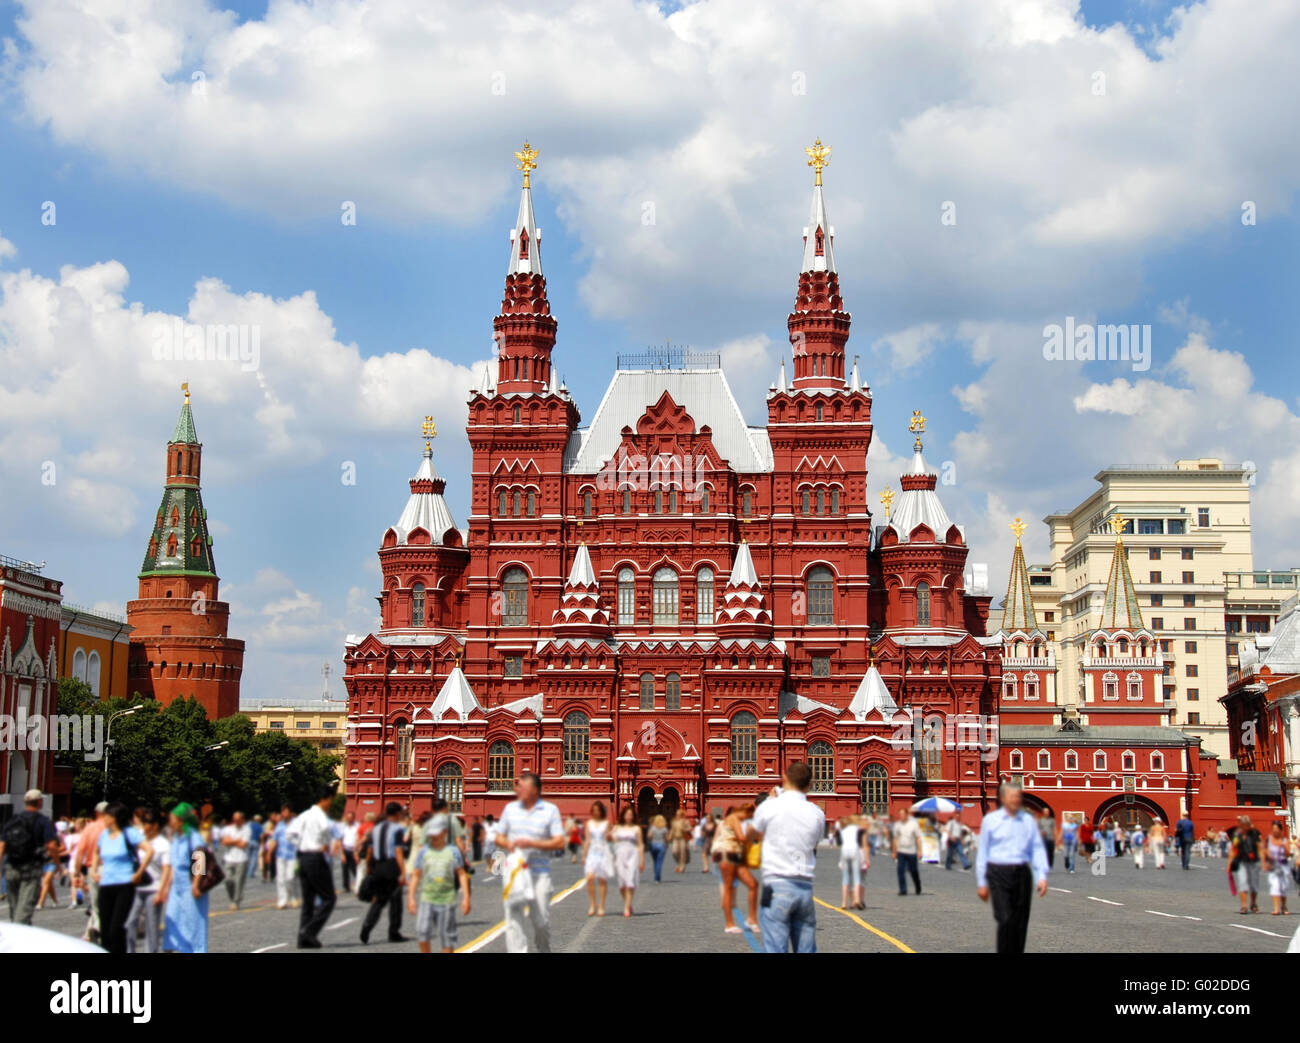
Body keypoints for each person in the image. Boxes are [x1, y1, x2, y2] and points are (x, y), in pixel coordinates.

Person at [750, 761, 826, 953]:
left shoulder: (768, 808)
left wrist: (770, 802)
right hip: (804, 889)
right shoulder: (817, 813)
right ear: (809, 785)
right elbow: (813, 844)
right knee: (806, 949)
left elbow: (750, 836)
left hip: (775, 886)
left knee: (775, 947)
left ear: (784, 778)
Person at [494, 771, 566, 953]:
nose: (518, 790)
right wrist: (507, 843)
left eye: (522, 786)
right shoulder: (510, 809)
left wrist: (532, 843)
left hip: (539, 874)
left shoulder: (550, 810)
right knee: (513, 920)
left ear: (535, 790)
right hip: (515, 872)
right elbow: (499, 837)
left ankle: (544, 949)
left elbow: (559, 841)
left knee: (541, 922)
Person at [976, 782, 1049, 954]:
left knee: (1020, 922)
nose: (1016, 800)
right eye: (1012, 797)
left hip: (1022, 873)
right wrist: (982, 883)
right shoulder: (990, 821)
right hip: (998, 873)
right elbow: (983, 852)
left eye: (1018, 797)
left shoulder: (1028, 821)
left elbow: (1037, 848)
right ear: (1002, 799)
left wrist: (1041, 876)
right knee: (1005, 919)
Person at [90, 802, 152, 955]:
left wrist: (138, 873)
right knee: (105, 930)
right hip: (106, 885)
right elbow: (97, 852)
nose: (104, 819)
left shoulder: (130, 833)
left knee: (116, 929)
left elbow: (149, 850)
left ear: (116, 818)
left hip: (125, 885)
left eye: (108, 816)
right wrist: (93, 870)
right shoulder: (104, 835)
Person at [406, 813, 469, 953]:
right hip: (427, 899)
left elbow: (462, 875)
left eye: (437, 833)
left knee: (447, 937)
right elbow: (416, 875)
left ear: (444, 833)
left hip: (447, 900)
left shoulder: (453, 852)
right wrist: (411, 898)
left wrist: (466, 898)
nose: (433, 837)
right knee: (422, 933)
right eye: (431, 834)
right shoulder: (424, 852)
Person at [289, 788, 341, 948]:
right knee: (329, 898)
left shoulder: (304, 815)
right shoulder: (321, 818)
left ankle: (302, 940)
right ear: (325, 799)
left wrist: (301, 846)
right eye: (331, 800)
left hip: (303, 857)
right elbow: (326, 836)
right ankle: (309, 931)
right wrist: (320, 847)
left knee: (308, 901)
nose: (331, 804)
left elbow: (290, 833)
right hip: (316, 858)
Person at [0, 789, 61, 925]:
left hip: (11, 867)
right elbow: (51, 845)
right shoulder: (42, 821)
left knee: (14, 908)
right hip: (30, 869)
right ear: (39, 802)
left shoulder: (13, 821)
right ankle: (20, 937)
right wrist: (57, 865)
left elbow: (2, 846)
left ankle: (18, 932)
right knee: (24, 910)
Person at [159, 802, 209, 953]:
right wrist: (166, 887)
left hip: (190, 884)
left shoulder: (193, 837)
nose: (170, 822)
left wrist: (196, 884)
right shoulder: (176, 838)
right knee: (172, 919)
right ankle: (170, 948)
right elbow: (173, 865)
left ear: (181, 820)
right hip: (176, 886)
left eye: (173, 819)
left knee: (193, 923)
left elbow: (200, 860)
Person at [359, 801, 407, 944]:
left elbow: (369, 851)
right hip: (391, 866)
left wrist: (369, 869)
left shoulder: (376, 829)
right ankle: (394, 932)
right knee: (395, 900)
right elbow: (398, 851)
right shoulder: (397, 829)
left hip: (378, 866)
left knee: (379, 900)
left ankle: (366, 927)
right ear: (397, 814)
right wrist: (403, 872)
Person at [125, 808, 169, 953]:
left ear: (155, 825)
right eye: (142, 823)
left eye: (146, 824)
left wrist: (162, 891)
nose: (143, 827)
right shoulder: (140, 840)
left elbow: (167, 870)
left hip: (154, 889)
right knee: (130, 922)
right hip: (137, 888)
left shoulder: (163, 845)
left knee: (152, 926)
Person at [713, 804, 758, 934]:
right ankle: (729, 924)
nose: (747, 819)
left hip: (734, 855)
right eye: (748, 816)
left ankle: (751, 919)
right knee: (728, 888)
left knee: (753, 884)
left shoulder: (734, 819)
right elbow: (742, 837)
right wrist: (754, 835)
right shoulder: (733, 818)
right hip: (727, 855)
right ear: (745, 812)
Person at [73, 802, 110, 942]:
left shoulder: (90, 828)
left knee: (95, 903)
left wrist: (77, 872)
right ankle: (94, 930)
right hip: (109, 868)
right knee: (105, 903)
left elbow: (81, 851)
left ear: (96, 813)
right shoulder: (111, 827)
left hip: (92, 868)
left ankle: (93, 930)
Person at [611, 805, 644, 917]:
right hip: (620, 855)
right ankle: (627, 902)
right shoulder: (617, 828)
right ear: (623, 816)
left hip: (632, 855)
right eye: (627, 814)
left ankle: (626, 907)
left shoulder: (636, 829)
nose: (629, 816)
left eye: (630, 814)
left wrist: (642, 860)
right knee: (621, 884)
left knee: (630, 881)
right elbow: (613, 842)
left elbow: (640, 845)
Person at [582, 801, 612, 916]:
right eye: (594, 810)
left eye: (598, 810)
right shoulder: (589, 824)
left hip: (603, 853)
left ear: (601, 811)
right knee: (590, 879)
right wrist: (584, 856)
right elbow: (587, 840)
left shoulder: (606, 823)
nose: (596, 812)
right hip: (592, 853)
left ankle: (602, 905)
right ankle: (593, 904)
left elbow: (609, 838)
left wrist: (610, 836)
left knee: (602, 880)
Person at [219, 810, 252, 909]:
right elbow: (224, 841)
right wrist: (237, 840)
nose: (236, 821)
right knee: (227, 880)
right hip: (229, 858)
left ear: (242, 820)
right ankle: (233, 897)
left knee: (238, 882)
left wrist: (231, 841)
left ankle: (235, 901)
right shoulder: (228, 829)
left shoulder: (247, 829)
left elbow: (243, 844)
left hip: (241, 859)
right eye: (234, 819)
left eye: (238, 819)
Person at [1230, 816, 1262, 915]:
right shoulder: (1237, 835)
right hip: (1242, 861)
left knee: (1254, 884)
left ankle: (1253, 903)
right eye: (1243, 825)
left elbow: (1259, 847)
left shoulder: (1255, 833)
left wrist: (1263, 861)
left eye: (1247, 825)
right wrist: (1229, 864)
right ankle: (1244, 906)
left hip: (1254, 861)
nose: (1245, 827)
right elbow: (1234, 849)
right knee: (1243, 882)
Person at [270, 805, 300, 909]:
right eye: (283, 812)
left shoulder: (296, 824)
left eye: (286, 812)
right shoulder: (279, 825)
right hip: (280, 855)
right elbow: (275, 839)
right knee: (280, 879)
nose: (284, 814)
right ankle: (282, 901)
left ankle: (294, 897)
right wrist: (269, 853)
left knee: (290, 877)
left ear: (290, 813)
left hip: (293, 855)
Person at [891, 807, 923, 896]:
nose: (901, 816)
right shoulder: (897, 825)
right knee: (900, 870)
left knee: (913, 870)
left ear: (907, 815)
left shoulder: (913, 824)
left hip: (911, 851)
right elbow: (895, 839)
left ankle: (918, 885)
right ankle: (903, 889)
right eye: (900, 814)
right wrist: (894, 852)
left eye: (903, 814)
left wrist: (920, 851)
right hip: (901, 851)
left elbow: (918, 838)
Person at [838, 816, 867, 909]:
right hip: (854, 850)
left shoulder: (843, 830)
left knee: (845, 878)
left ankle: (844, 902)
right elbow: (863, 836)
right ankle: (857, 900)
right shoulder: (857, 829)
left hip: (844, 851)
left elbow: (839, 842)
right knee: (856, 876)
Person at [1264, 821, 1291, 916]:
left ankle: (1284, 906)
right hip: (1273, 866)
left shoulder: (1285, 840)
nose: (1275, 831)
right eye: (1273, 829)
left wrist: (1283, 846)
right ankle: (1276, 908)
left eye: (1277, 829)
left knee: (1283, 887)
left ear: (1280, 830)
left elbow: (1288, 854)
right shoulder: (1269, 839)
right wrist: (1266, 862)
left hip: (1283, 865)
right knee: (1274, 887)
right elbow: (1266, 850)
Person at [646, 814, 669, 883]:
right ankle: (657, 878)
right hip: (662, 845)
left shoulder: (653, 828)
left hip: (654, 845)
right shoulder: (664, 828)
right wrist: (667, 844)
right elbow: (667, 838)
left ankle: (656, 877)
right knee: (659, 862)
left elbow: (649, 836)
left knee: (655, 862)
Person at [339, 811, 359, 892]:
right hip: (345, 849)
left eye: (351, 818)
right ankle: (346, 886)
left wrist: (356, 851)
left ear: (354, 818)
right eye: (348, 818)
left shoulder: (357, 826)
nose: (349, 819)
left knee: (354, 868)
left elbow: (359, 839)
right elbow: (340, 840)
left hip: (353, 850)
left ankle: (359, 884)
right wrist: (342, 854)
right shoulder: (343, 827)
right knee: (344, 869)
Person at [669, 809, 692, 873]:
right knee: (675, 852)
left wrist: (684, 829)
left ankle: (682, 866)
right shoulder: (674, 821)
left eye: (679, 814)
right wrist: (669, 836)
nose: (678, 815)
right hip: (675, 838)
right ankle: (679, 863)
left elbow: (690, 828)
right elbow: (672, 830)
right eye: (677, 814)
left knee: (682, 853)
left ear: (682, 815)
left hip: (683, 838)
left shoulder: (685, 821)